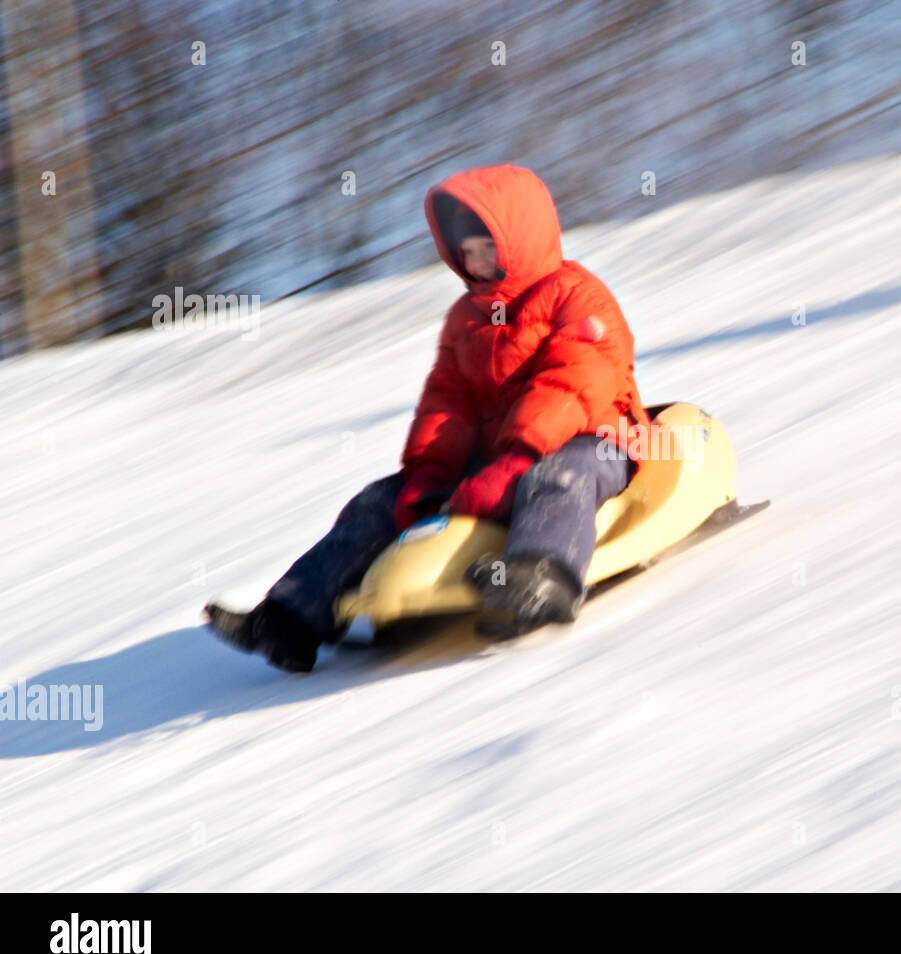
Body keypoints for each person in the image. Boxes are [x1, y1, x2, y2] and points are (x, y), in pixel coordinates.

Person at [204, 164, 650, 672]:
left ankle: (540, 578)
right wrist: (428, 472)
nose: (479, 262)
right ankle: (288, 619)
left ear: (521, 240)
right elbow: (447, 402)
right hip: (496, 456)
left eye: (490, 248)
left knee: (557, 477)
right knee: (378, 501)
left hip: (592, 439)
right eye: (468, 253)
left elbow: (573, 383)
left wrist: (519, 456)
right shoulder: (466, 319)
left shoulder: (577, 296)